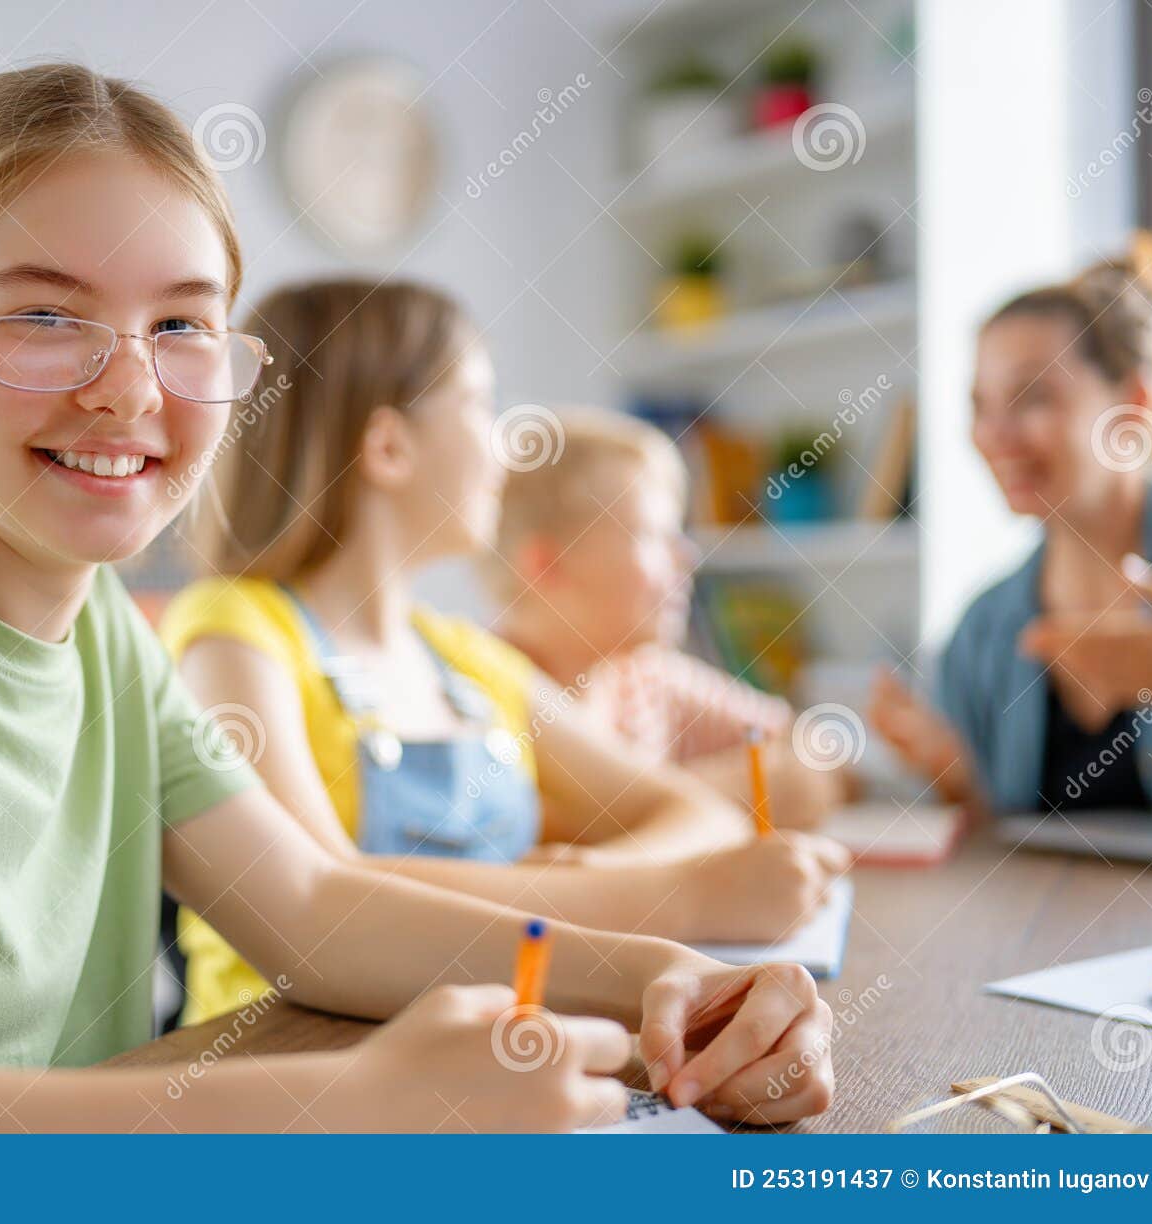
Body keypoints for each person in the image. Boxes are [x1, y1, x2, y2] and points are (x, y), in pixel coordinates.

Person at [0, 63, 833, 1132]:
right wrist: (338, 1109)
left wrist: (668, 981)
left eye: (182, 326)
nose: (130, 392)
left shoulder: (115, 655)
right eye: (44, 319)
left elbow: (319, 909)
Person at [163, 279, 848, 1026]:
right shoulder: (233, 633)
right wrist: (681, 894)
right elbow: (329, 898)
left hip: (493, 1044)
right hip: (289, 1068)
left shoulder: (470, 661)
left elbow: (695, 812)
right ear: (389, 446)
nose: (503, 446)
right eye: (481, 406)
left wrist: (588, 870)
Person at [870, 232, 1152, 815]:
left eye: (1032, 397)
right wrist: (957, 777)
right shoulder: (980, 634)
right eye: (979, 406)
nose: (993, 436)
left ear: (1134, 405)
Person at [488, 406, 845, 829]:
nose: (686, 555)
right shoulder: (485, 700)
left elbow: (818, 751)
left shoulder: (649, 680)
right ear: (547, 565)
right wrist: (689, 804)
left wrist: (663, 807)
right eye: (653, 535)